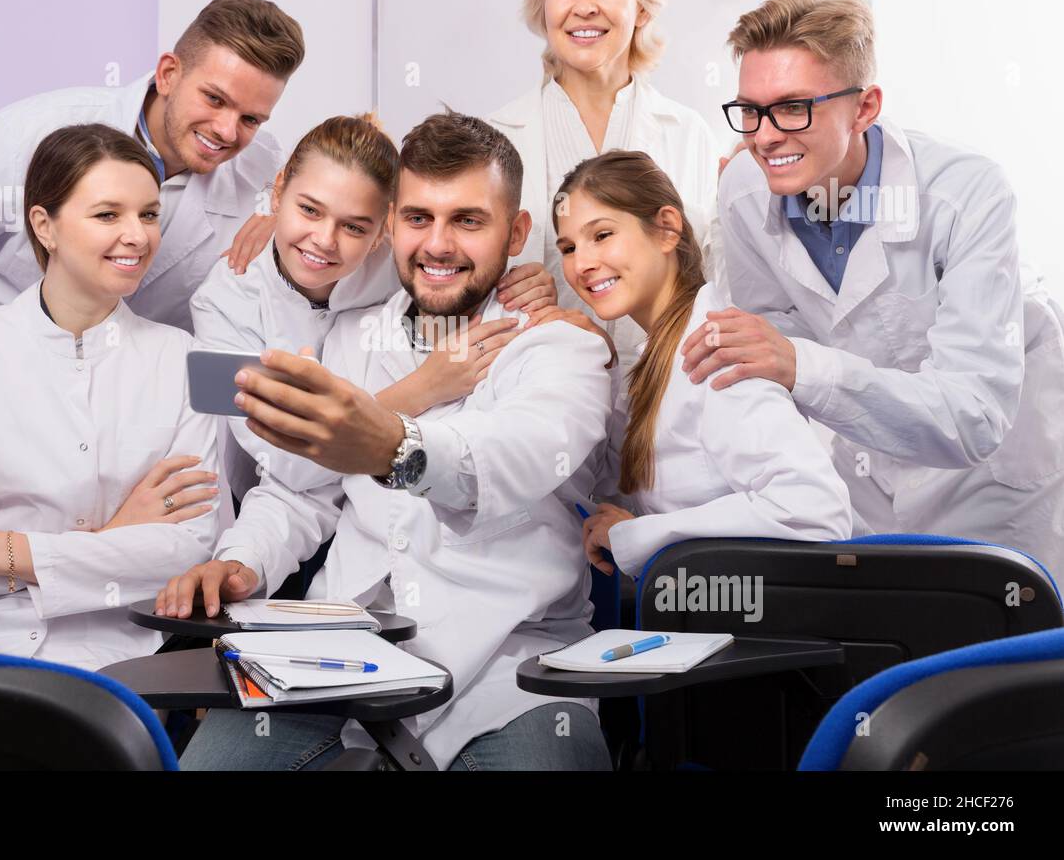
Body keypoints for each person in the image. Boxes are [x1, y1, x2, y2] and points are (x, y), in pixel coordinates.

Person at [158, 111, 615, 770]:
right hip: (330, 658)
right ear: (393, 223)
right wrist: (244, 561)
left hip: (508, 670)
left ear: (516, 233)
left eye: (468, 220)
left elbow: (519, 451)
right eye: (419, 218)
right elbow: (298, 492)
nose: (438, 244)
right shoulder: (350, 337)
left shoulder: (560, 346)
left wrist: (390, 443)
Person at [685, 0, 1064, 580]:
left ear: (864, 108)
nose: (762, 137)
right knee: (889, 638)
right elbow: (775, 328)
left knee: (1001, 649)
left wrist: (798, 366)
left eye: (792, 108)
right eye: (750, 111)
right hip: (868, 468)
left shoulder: (967, 194)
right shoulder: (743, 186)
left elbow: (972, 415)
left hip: (996, 479)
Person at [0, 0, 303, 426]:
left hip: (135, 417)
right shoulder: (29, 132)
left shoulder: (262, 170)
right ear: (169, 73)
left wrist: (285, 218)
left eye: (251, 119)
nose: (227, 131)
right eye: (214, 99)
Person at [0, 124, 222, 670]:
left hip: (119, 662)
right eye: (108, 215)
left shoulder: (184, 362)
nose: (137, 235)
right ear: (45, 226)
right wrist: (116, 541)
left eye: (149, 214)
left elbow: (186, 550)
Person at [189, 113, 558, 503]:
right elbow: (292, 465)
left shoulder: (401, 258)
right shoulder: (218, 304)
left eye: (354, 227)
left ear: (387, 227)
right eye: (309, 210)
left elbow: (471, 253)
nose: (324, 241)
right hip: (277, 504)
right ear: (278, 191)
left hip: (382, 494)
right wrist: (425, 387)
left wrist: (526, 276)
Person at [529, 150, 852, 579]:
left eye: (602, 234)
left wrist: (641, 536)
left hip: (766, 628)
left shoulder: (715, 351)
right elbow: (608, 486)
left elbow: (815, 510)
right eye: (568, 247)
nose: (582, 263)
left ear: (666, 228)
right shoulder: (653, 358)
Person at [488, 0, 723, 365]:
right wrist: (514, 285)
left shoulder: (688, 132)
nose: (583, 6)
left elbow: (711, 280)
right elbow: (462, 280)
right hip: (543, 390)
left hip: (667, 387)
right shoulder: (494, 139)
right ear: (543, 10)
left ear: (644, 8)